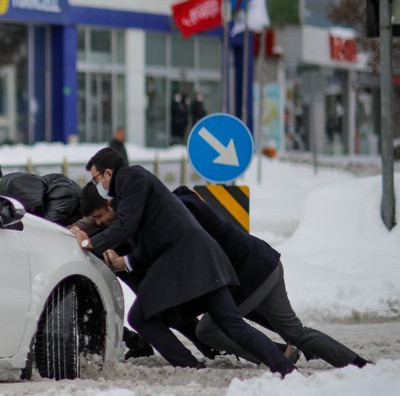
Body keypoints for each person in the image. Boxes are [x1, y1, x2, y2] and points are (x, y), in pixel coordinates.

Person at [79, 147, 295, 376]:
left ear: (108, 173)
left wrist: (90, 244)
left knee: (140, 317)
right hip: (200, 263)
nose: (98, 185)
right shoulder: (133, 188)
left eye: (96, 178)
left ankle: (190, 367)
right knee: (234, 326)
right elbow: (151, 240)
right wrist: (126, 261)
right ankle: (285, 368)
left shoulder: (131, 178)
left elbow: (126, 225)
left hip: (186, 263)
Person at [172, 187, 370, 369]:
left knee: (208, 329)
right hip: (268, 263)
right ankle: (359, 364)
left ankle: (276, 356)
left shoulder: (185, 215)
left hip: (251, 275)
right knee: (295, 332)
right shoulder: (190, 207)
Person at [73, 183, 223, 361]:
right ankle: (213, 354)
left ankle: (190, 361)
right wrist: (75, 231)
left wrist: (118, 256)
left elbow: (150, 245)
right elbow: (92, 223)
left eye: (99, 216)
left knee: (146, 316)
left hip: (173, 270)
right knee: (172, 315)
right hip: (159, 276)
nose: (98, 221)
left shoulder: (135, 212)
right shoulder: (112, 211)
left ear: (110, 204)